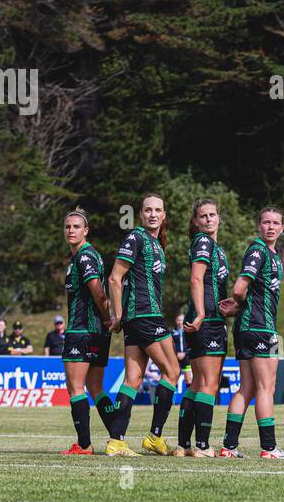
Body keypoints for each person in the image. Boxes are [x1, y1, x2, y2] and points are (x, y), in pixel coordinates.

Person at [104, 193, 181, 457]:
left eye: (158, 210)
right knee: (172, 371)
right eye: (148, 210)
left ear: (164, 215)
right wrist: (117, 315)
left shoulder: (156, 243)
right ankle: (154, 437)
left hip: (139, 318)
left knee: (133, 379)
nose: (153, 214)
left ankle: (116, 442)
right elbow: (115, 279)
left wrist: (122, 317)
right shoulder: (136, 237)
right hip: (145, 316)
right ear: (140, 213)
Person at [219, 207, 284, 459]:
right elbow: (240, 287)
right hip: (259, 328)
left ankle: (229, 447)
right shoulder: (258, 250)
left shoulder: (273, 255)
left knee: (248, 387)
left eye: (276, 223)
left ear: (282, 228)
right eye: (266, 222)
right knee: (266, 388)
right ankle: (269, 448)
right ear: (259, 226)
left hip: (250, 328)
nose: (271, 227)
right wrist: (240, 304)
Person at [175, 198, 230, 457]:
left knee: (197, 384)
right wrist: (200, 313)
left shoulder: (215, 247)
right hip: (206, 321)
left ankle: (183, 445)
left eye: (212, 215)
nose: (208, 219)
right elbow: (196, 278)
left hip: (207, 317)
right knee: (208, 384)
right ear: (196, 221)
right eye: (203, 216)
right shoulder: (205, 241)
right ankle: (203, 446)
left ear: (219, 217)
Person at [59, 209, 116, 454]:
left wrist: (107, 318)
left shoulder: (84, 257)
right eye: (67, 227)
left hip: (82, 330)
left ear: (86, 231)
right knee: (95, 387)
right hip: (95, 333)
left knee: (76, 388)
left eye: (76, 227)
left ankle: (83, 445)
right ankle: (118, 438)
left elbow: (99, 292)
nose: (71, 230)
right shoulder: (82, 257)